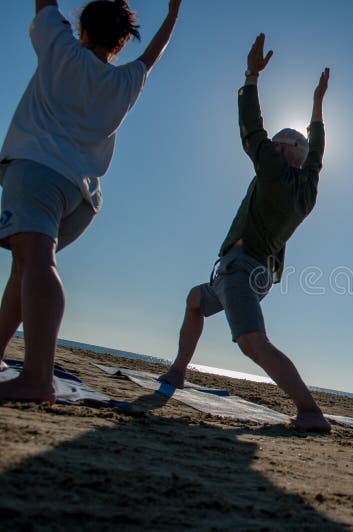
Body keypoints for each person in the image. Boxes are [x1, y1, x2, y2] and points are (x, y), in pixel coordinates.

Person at [0, 0, 182, 400]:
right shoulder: (125, 81)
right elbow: (151, 56)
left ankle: (37, 378)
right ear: (120, 41)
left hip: (37, 173)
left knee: (37, 262)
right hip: (79, 198)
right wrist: (172, 16)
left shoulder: (60, 49)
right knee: (26, 266)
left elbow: (45, 3)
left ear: (82, 27)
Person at [158, 34, 331, 433]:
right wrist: (318, 102)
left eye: (277, 143)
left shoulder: (275, 172)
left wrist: (252, 75)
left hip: (242, 267)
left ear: (286, 150)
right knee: (194, 301)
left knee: (253, 342)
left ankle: (309, 410)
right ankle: (178, 371)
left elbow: (252, 130)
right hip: (257, 274)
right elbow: (318, 147)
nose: (270, 145)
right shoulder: (309, 187)